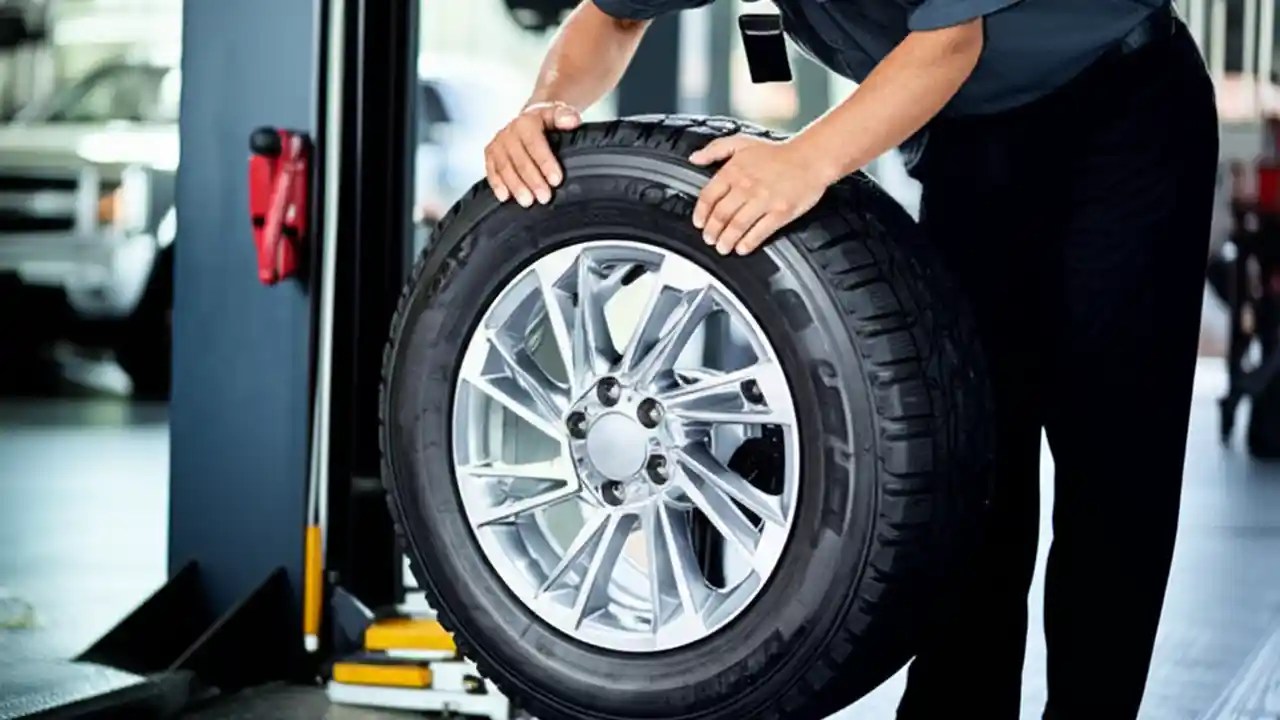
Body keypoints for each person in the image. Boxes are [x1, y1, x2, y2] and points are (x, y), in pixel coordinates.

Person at [482, 1, 1219, 717]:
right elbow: (611, 16)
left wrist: (803, 161)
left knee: (1113, 460)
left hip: (1119, 106)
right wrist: (544, 108)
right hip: (967, 130)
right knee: (967, 458)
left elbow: (950, 42)